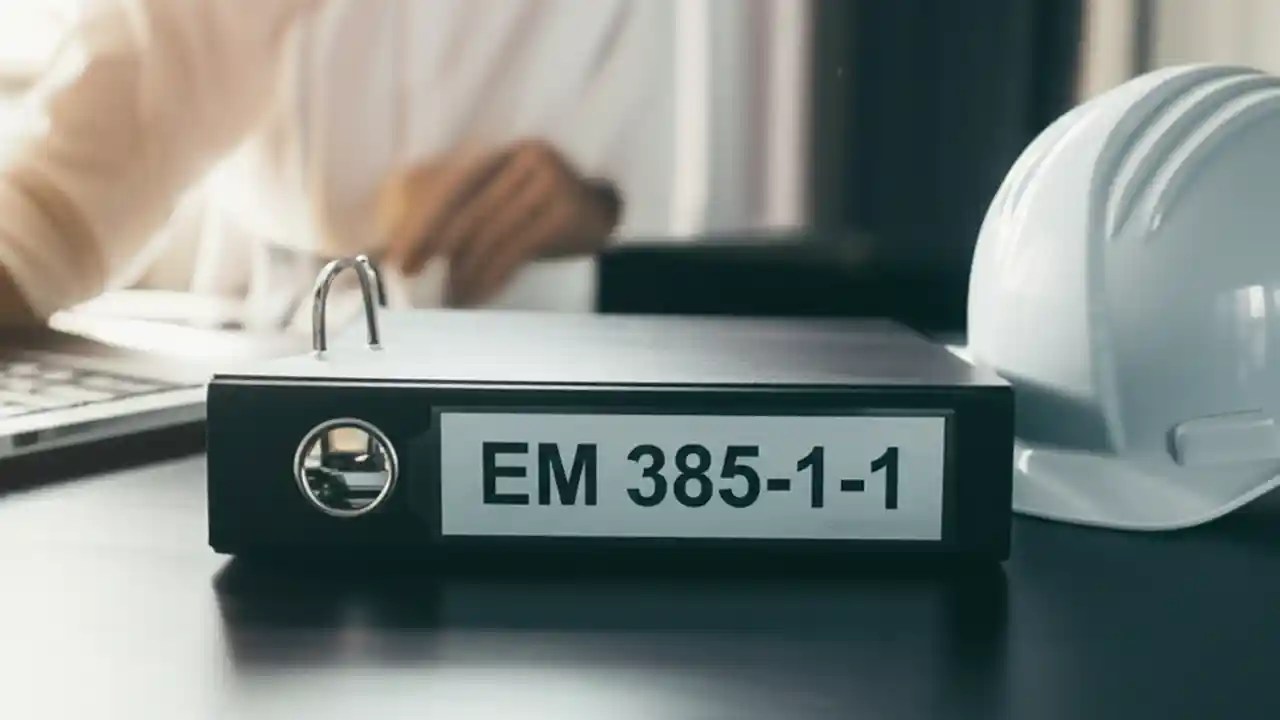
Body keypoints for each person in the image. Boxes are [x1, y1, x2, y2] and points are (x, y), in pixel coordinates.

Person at [0, 0, 671, 329]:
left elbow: (725, 158)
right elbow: (55, 206)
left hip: (558, 377)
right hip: (273, 363)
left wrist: (603, 207)